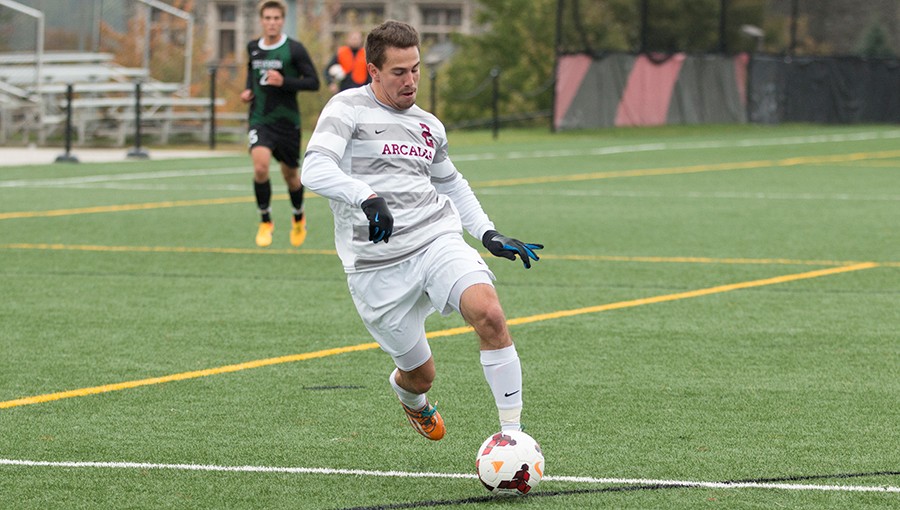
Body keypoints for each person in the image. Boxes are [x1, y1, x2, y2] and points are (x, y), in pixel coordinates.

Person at [301, 20, 543, 440]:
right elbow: (314, 167)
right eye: (399, 72)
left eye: (415, 69)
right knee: (421, 376)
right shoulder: (346, 109)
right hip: (375, 268)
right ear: (373, 71)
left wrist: (487, 233)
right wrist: (366, 196)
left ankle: (513, 436)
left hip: (436, 241)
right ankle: (409, 396)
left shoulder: (429, 125)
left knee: (489, 313)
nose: (411, 81)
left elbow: (450, 183)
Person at [240, 0, 319, 247]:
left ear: (282, 21)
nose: (272, 22)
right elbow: (251, 76)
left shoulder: (294, 49)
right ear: (261, 21)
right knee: (260, 167)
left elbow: (313, 82)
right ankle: (265, 221)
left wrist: (283, 81)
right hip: (260, 120)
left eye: (276, 18)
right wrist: (247, 91)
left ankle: (298, 217)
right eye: (267, 18)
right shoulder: (253, 47)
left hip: (287, 122)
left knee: (291, 176)